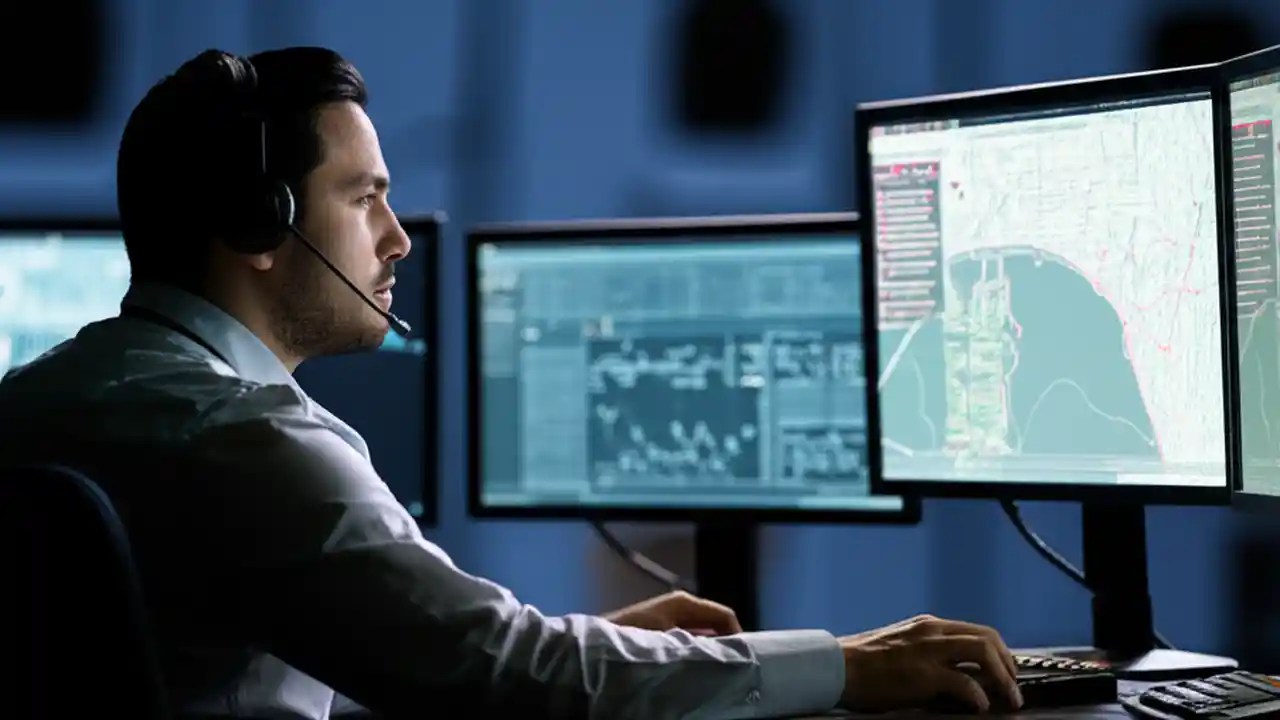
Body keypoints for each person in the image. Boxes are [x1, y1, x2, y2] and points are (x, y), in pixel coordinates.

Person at [0, 47, 1024, 719]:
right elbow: (502, 679)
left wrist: (582, 648)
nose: (397, 240)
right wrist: (843, 665)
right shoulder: (248, 440)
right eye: (363, 201)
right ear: (261, 230)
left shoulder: (43, 396)